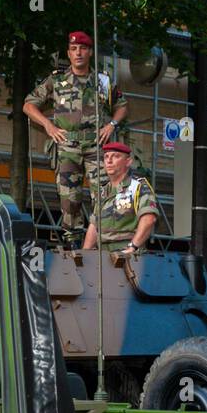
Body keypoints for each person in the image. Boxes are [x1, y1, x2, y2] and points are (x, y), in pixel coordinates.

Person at [23, 30, 128, 248]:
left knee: (104, 194)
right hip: (67, 145)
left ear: (90, 52)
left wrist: (112, 125)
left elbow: (122, 106)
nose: (78, 53)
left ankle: (105, 242)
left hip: (96, 145)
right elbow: (28, 105)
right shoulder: (57, 80)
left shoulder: (102, 81)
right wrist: (48, 125)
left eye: (82, 48)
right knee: (69, 198)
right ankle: (73, 246)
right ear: (68, 54)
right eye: (73, 49)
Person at [82, 142, 159, 255]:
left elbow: (149, 219)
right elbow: (94, 225)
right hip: (102, 256)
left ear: (128, 162)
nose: (109, 161)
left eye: (116, 156)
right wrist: (85, 254)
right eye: (106, 157)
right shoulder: (102, 191)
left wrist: (133, 247)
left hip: (127, 255)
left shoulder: (138, 186)